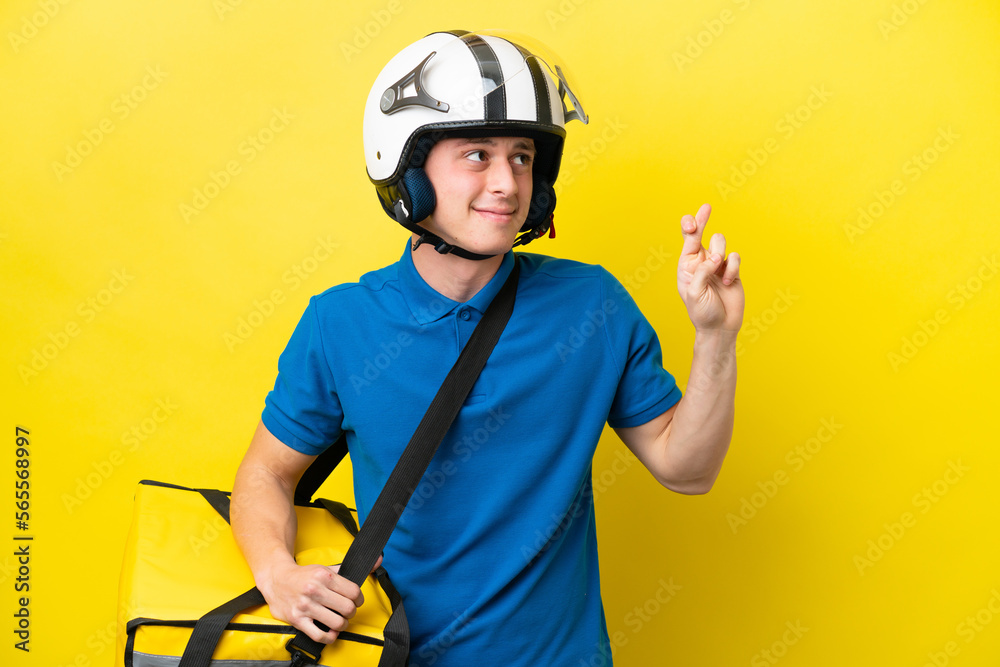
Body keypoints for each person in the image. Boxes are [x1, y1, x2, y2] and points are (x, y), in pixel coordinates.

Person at [230, 29, 743, 666]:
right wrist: (277, 574)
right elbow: (265, 474)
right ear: (408, 171)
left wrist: (715, 338)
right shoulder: (342, 323)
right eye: (477, 154)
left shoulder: (593, 308)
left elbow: (687, 470)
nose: (507, 182)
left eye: (523, 157)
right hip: (393, 656)